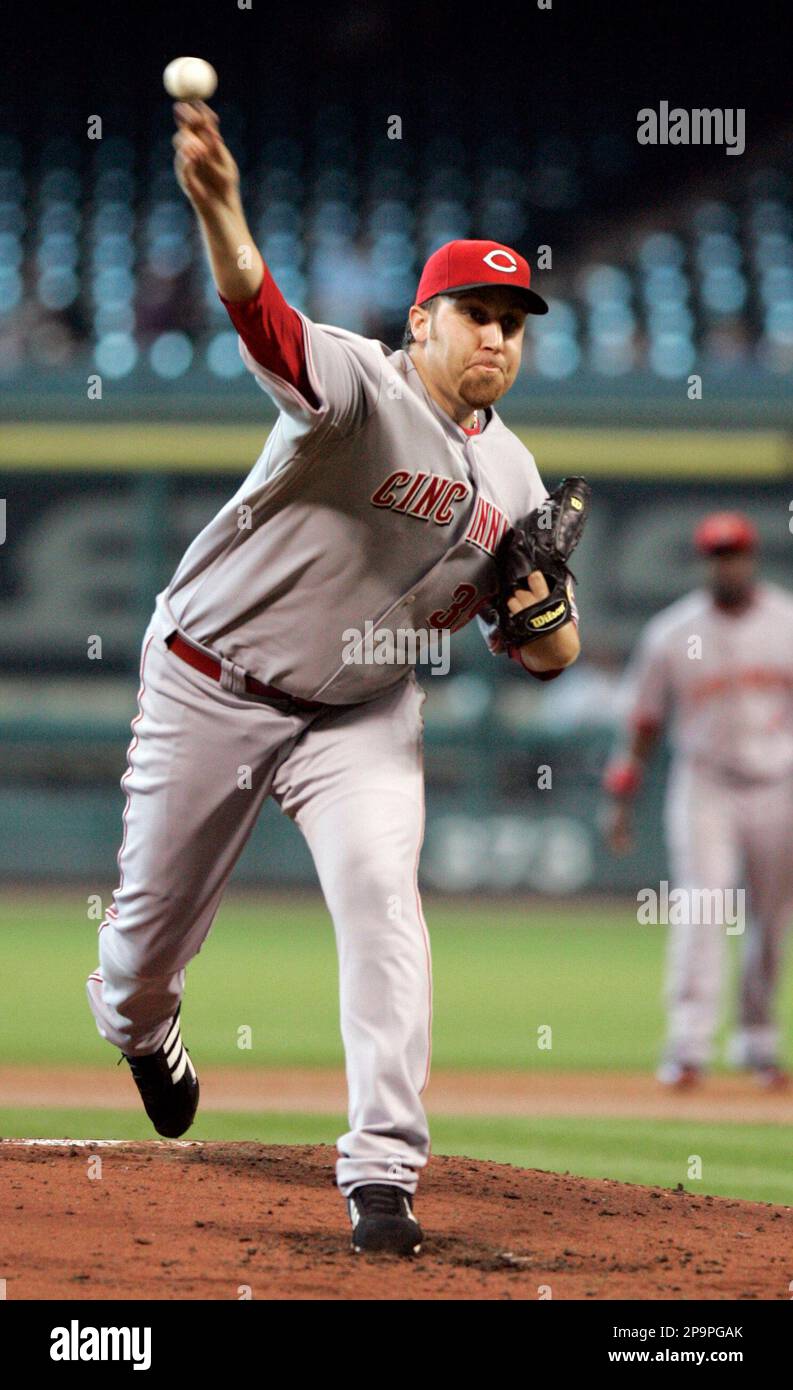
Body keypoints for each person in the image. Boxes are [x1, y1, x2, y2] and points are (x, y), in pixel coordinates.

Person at [86, 100, 580, 1256]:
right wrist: (219, 207)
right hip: (211, 679)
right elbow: (262, 317)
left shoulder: (513, 470)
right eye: (474, 313)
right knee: (141, 950)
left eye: (514, 320)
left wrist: (545, 618)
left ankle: (382, 1173)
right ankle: (140, 1026)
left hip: (358, 717)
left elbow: (544, 652)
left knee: (383, 906)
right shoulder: (359, 385)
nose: (495, 337)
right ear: (422, 322)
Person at [603, 512, 793, 1089]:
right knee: (702, 908)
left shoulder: (786, 621)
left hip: (778, 782)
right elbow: (642, 723)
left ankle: (758, 1041)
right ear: (704, 562)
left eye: (733, 553)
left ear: (751, 558)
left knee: (771, 917)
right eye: (716, 555)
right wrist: (621, 798)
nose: (726, 563)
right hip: (704, 783)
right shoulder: (671, 631)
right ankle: (688, 1045)